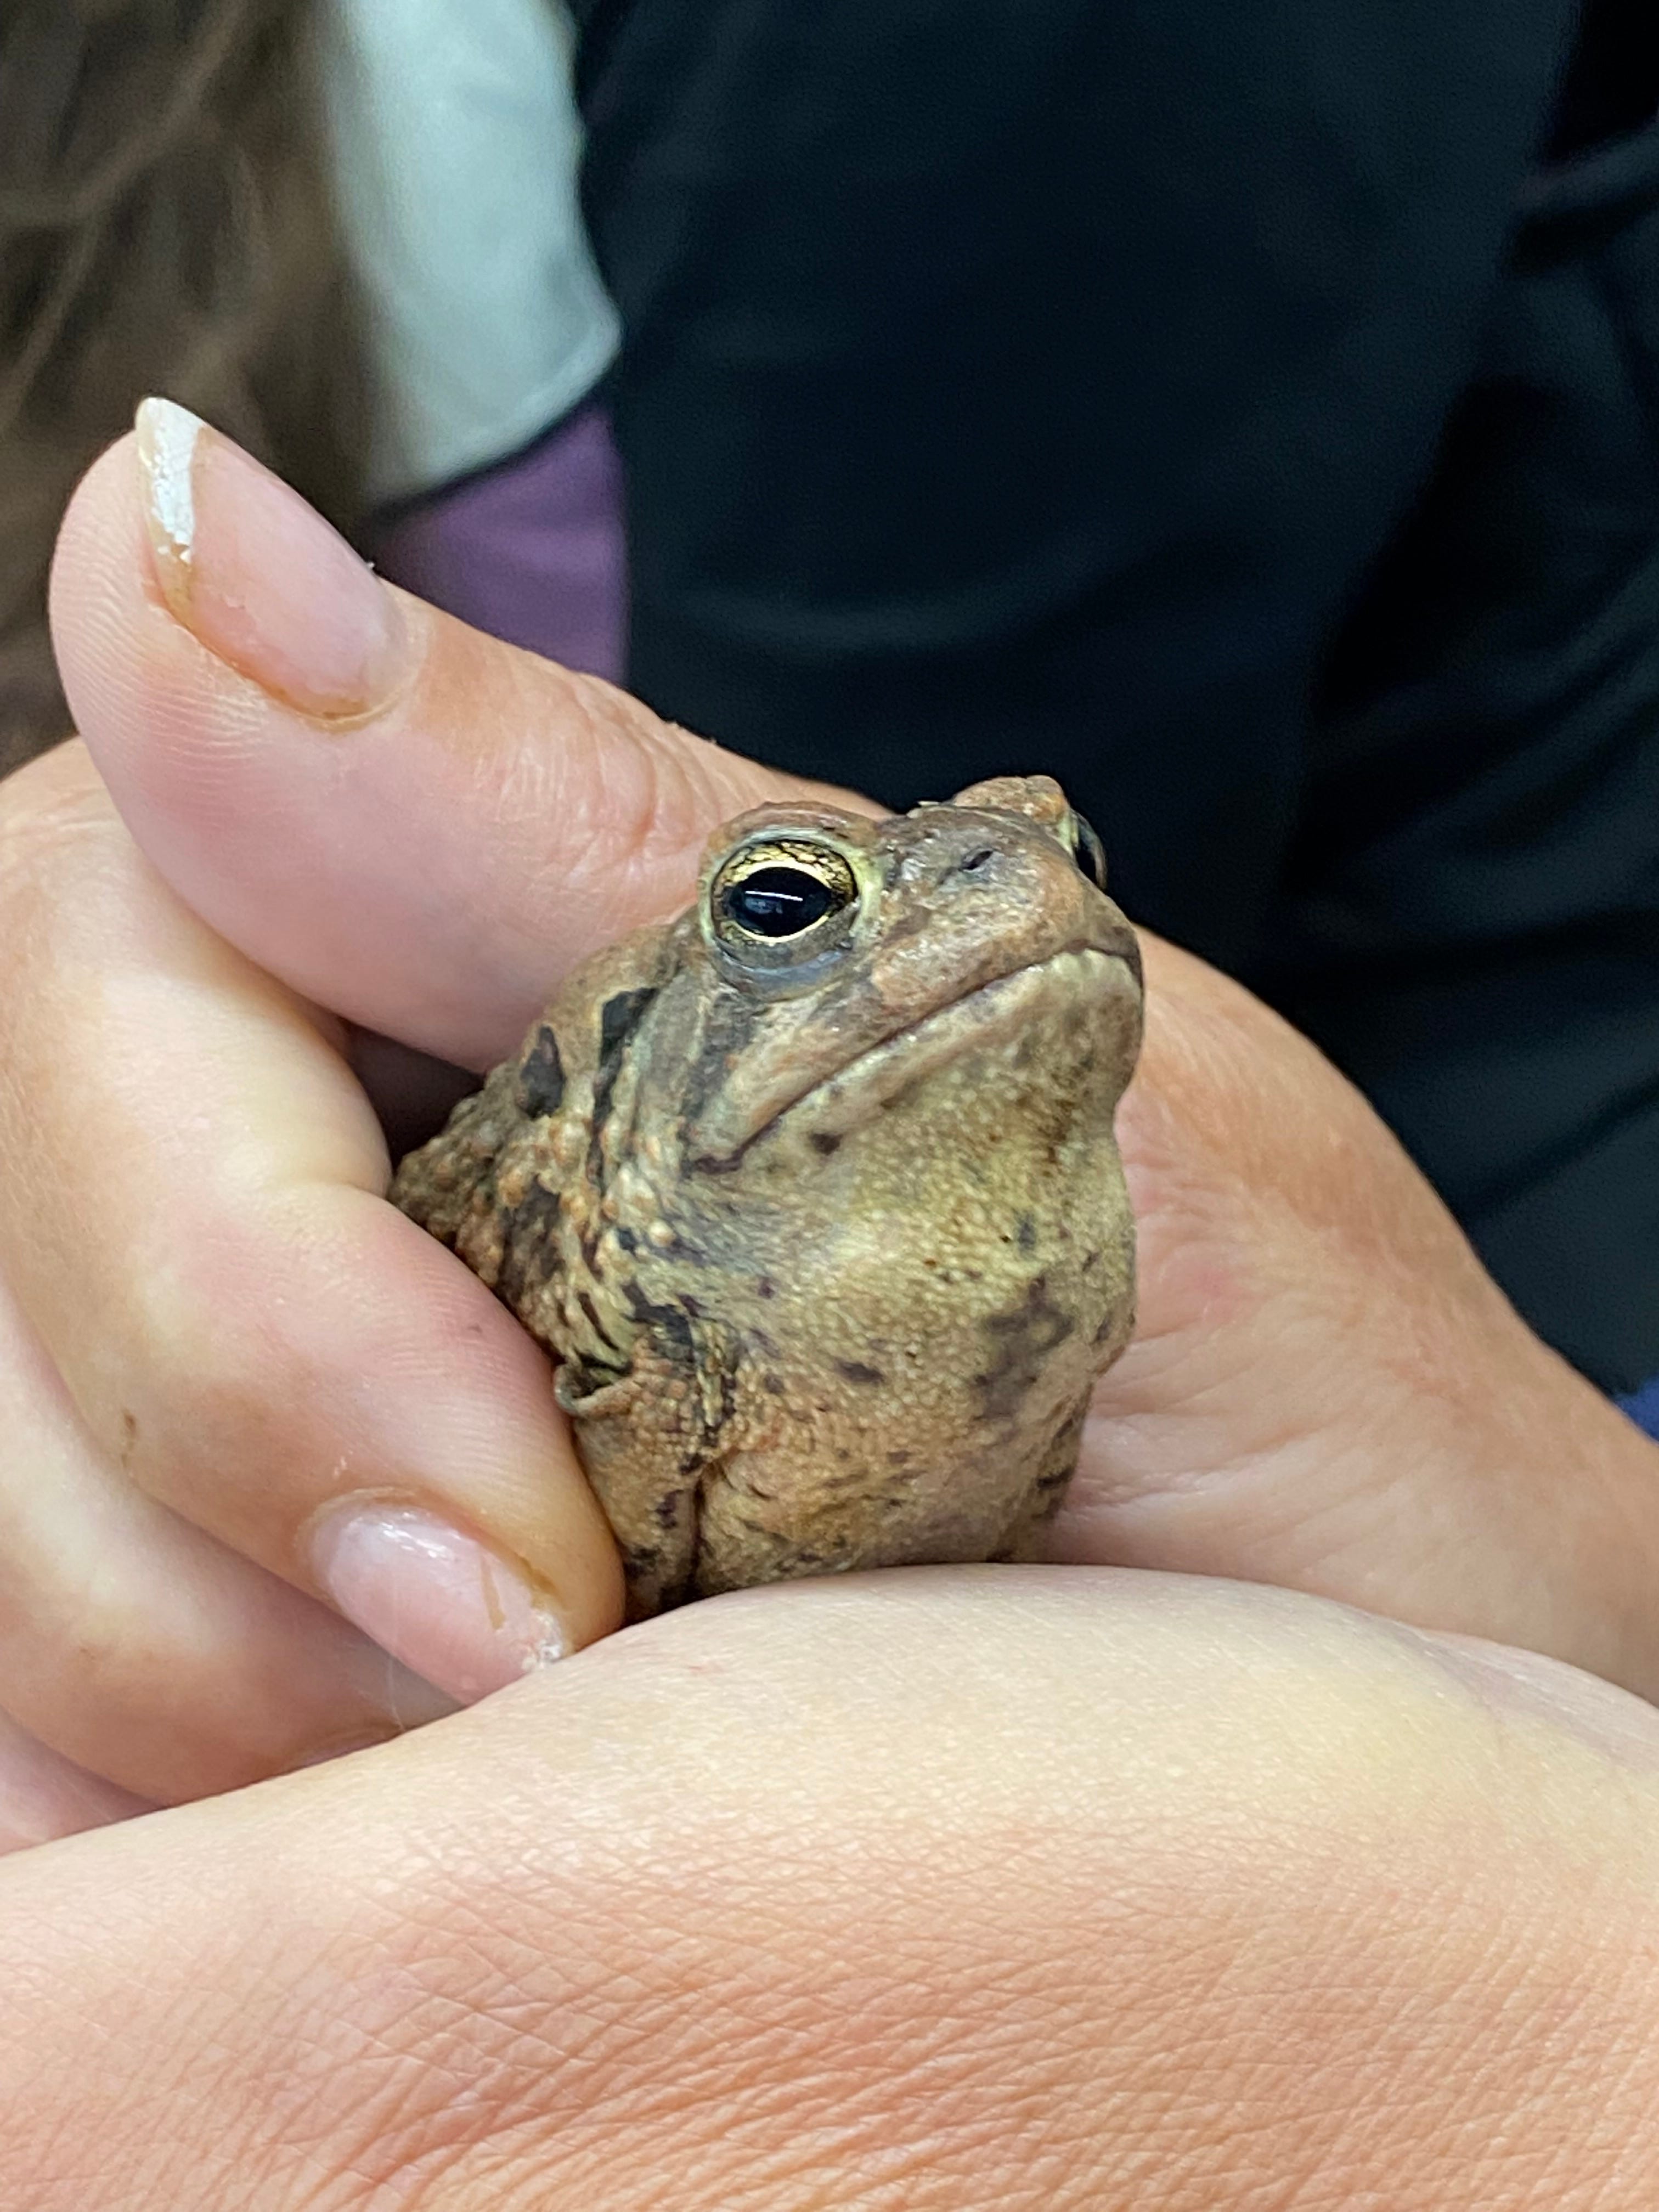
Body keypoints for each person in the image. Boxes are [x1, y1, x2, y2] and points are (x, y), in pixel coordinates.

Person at [4, 423, 1659, 2206]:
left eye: (1069, 850)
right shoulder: (590, 1281)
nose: (1037, 896)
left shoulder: (1135, 1300)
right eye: (795, 908)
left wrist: (1588, 1651)